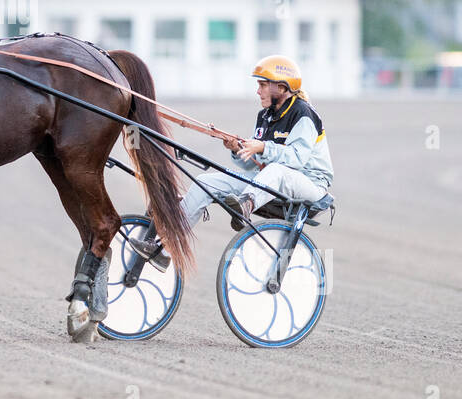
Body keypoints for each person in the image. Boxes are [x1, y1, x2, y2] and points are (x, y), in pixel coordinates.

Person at [131, 55, 335, 261]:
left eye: (263, 85)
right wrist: (238, 149)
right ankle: (165, 250)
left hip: (311, 184)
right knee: (206, 182)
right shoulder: (265, 116)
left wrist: (263, 147)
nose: (258, 90)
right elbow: (253, 165)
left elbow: (297, 158)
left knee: (277, 170)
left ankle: (245, 206)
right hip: (269, 180)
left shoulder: (303, 113)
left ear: (282, 88)